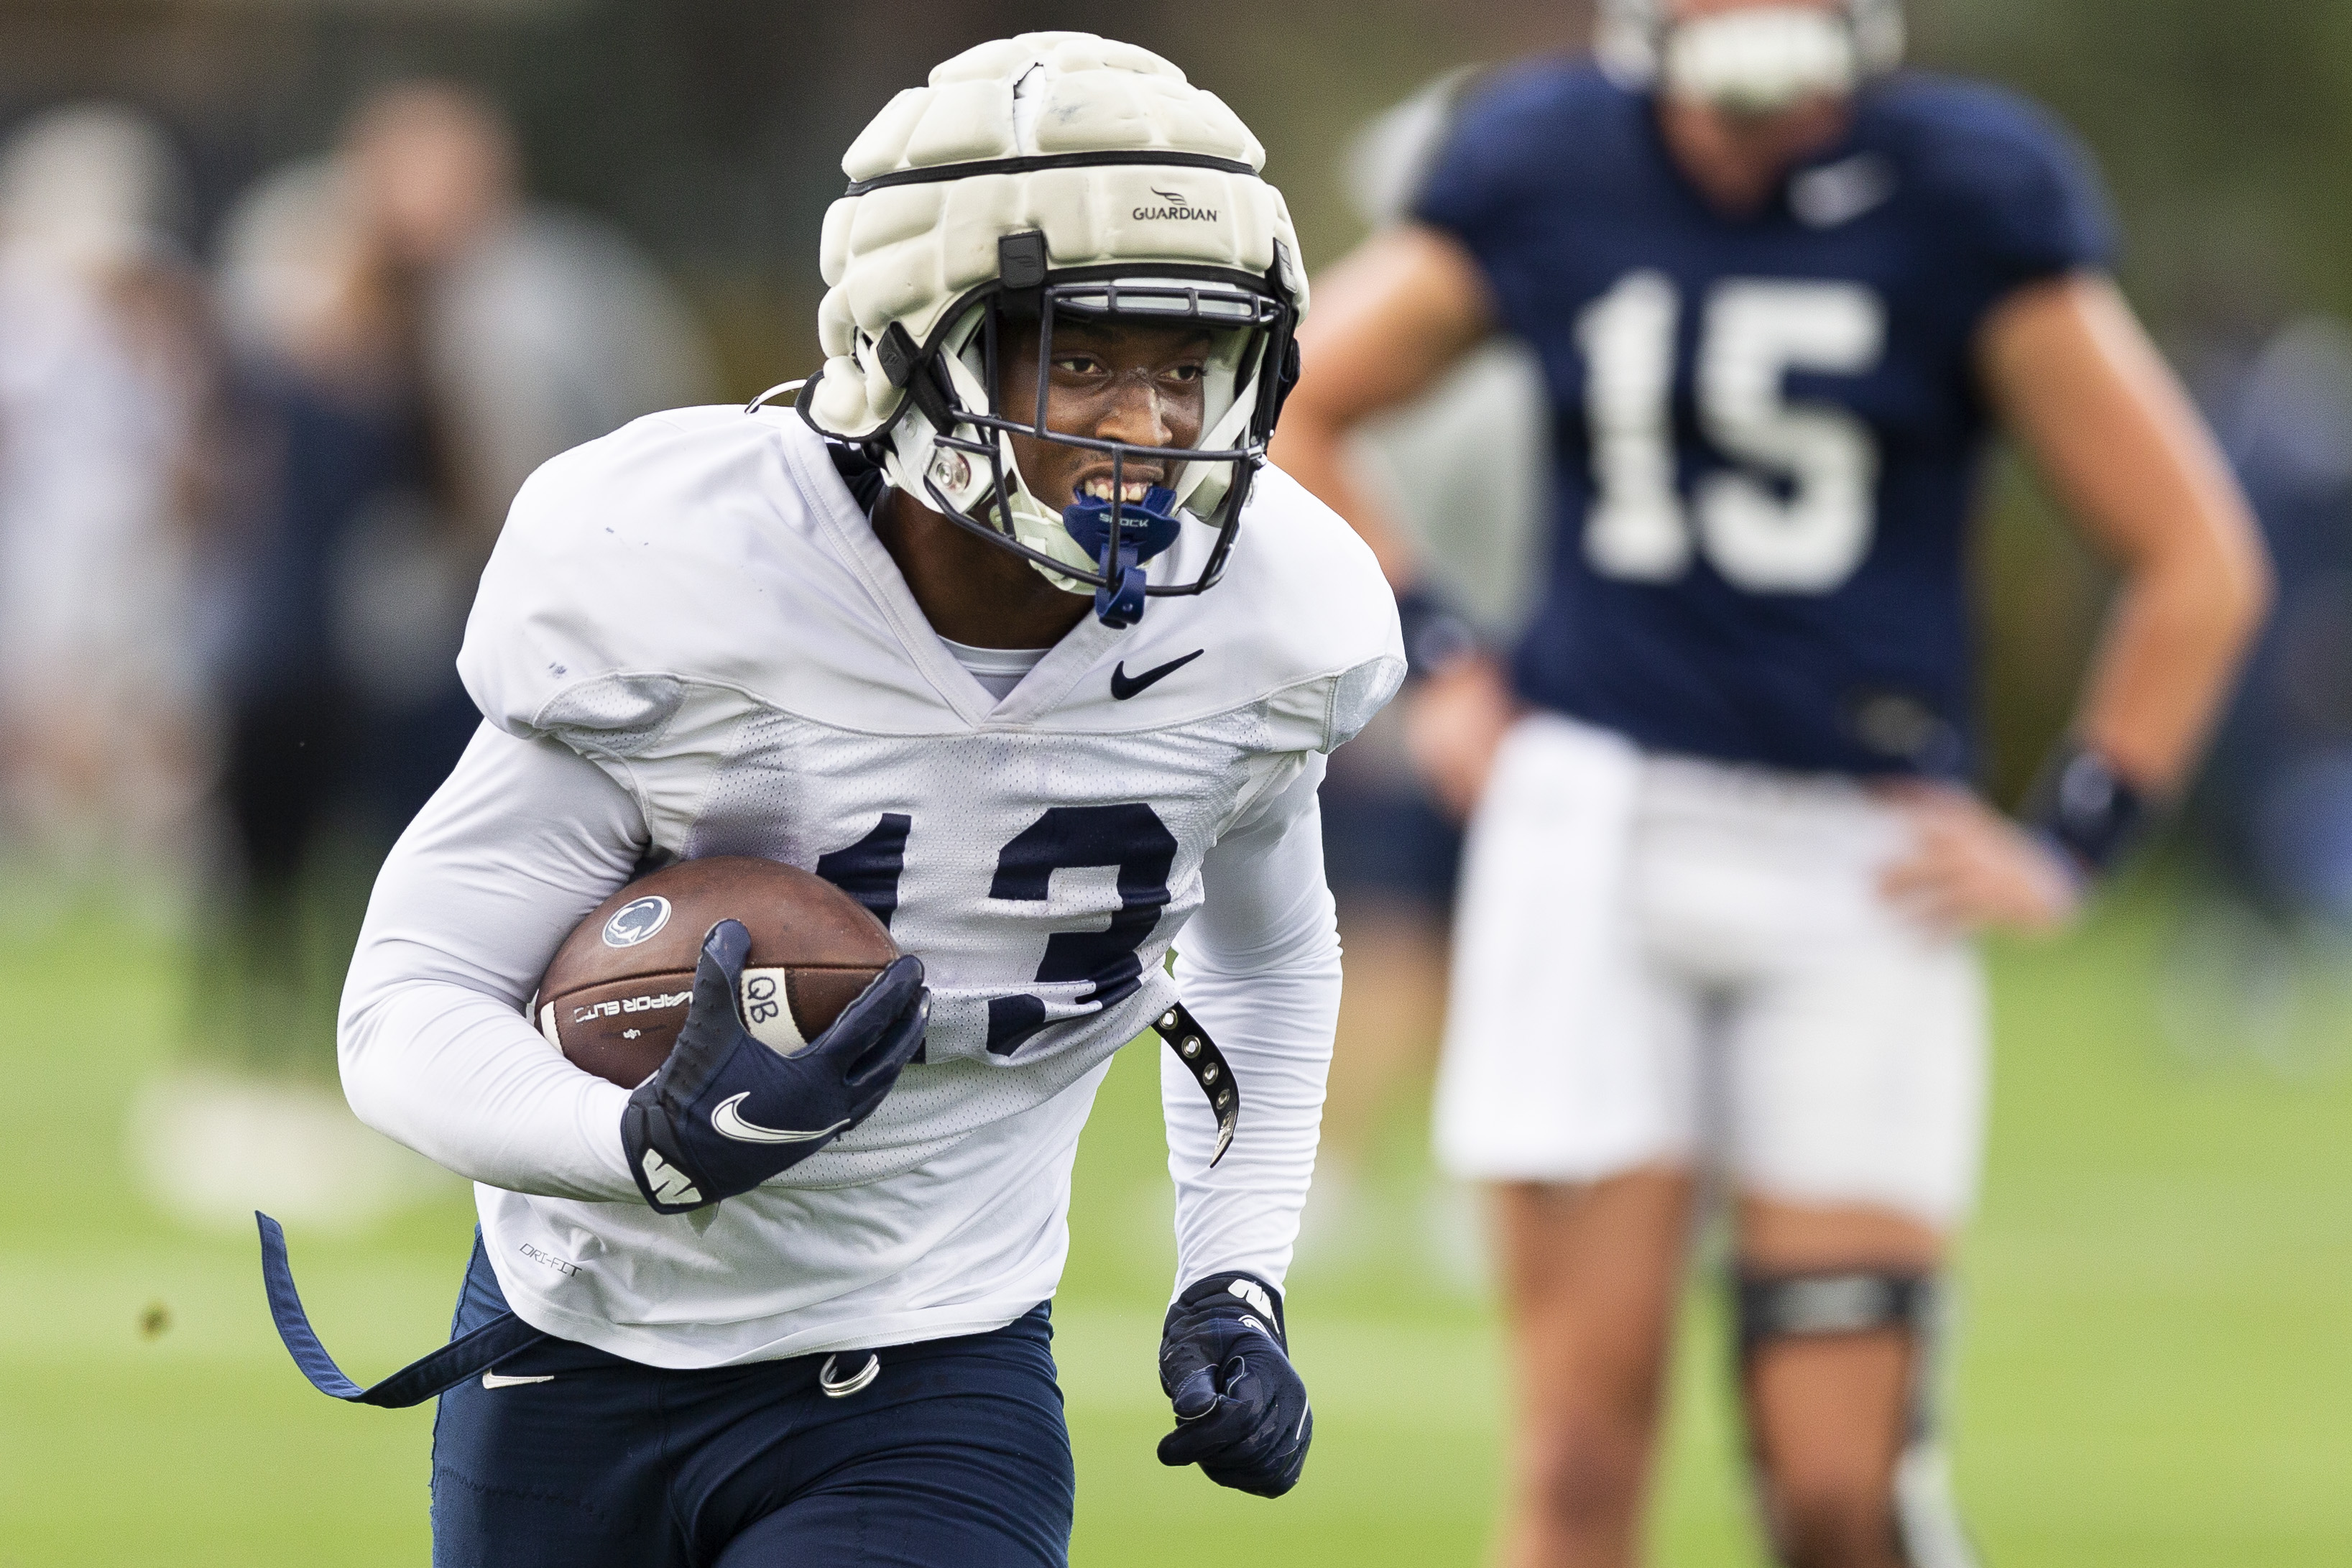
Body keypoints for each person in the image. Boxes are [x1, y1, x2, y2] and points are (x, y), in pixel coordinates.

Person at [263, 32, 1400, 1567]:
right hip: (572, 1350)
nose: (1145, 426)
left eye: (1185, 363)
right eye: (1082, 357)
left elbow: (1267, 957)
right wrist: (637, 1137)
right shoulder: (685, 574)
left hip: (931, 1361)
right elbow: (406, 1002)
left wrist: (1234, 1279)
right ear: (914, 343)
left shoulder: (1269, 615)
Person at [1270, 1, 2269, 1565]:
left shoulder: (1965, 188)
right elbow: (1289, 398)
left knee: (1835, 1488)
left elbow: (2193, 557)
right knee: (1576, 1464)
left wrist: (2074, 837)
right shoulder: (1547, 156)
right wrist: (1439, 656)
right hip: (1595, 826)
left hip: (1855, 853)